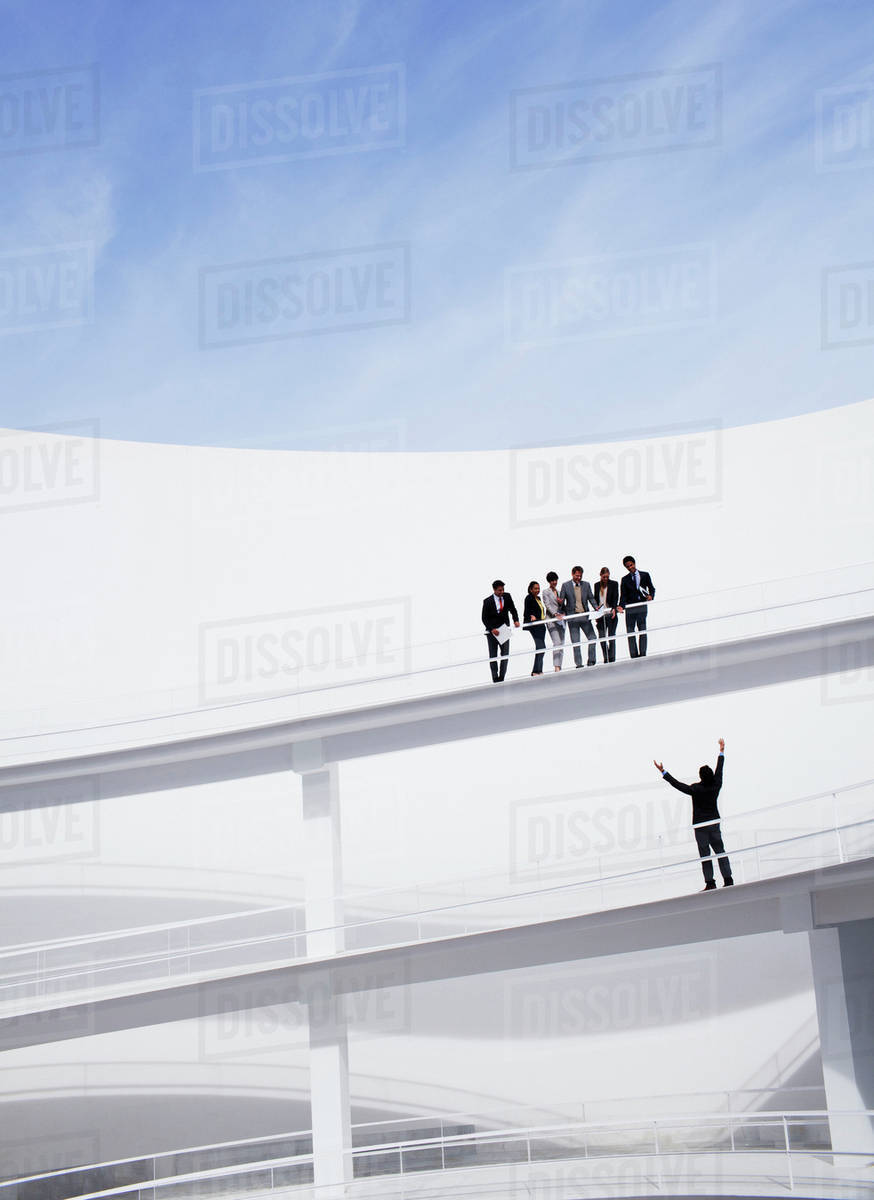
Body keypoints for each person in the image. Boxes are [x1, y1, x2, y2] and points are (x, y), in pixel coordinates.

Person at [653, 738, 733, 890]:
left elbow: (678, 785)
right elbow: (720, 769)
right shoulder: (716, 785)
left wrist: (663, 771)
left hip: (701, 827)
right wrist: (721, 751)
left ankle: (710, 882)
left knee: (705, 855)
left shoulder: (696, 789)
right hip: (714, 824)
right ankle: (728, 879)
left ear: (701, 777)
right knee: (720, 851)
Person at [481, 580, 519, 683]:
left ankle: (501, 677)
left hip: (504, 629)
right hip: (492, 631)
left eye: (503, 589)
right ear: (494, 590)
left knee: (505, 654)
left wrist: (516, 620)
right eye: (499, 590)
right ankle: (495, 677)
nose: (502, 592)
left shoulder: (507, 596)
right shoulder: (487, 601)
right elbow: (484, 618)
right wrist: (492, 629)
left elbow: (513, 609)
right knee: (493, 656)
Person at [559, 566, 597, 667]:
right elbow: (561, 602)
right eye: (577, 575)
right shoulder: (565, 585)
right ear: (572, 574)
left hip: (585, 616)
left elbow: (591, 598)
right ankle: (579, 664)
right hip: (573, 618)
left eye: (580, 576)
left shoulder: (586, 585)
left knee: (593, 638)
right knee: (576, 642)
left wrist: (596, 608)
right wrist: (561, 612)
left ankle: (591, 661)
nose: (578, 578)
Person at [619, 555, 655, 658]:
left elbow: (652, 588)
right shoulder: (625, 579)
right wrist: (621, 606)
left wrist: (651, 596)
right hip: (630, 609)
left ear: (634, 563)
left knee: (642, 630)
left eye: (631, 565)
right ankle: (633, 656)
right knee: (630, 632)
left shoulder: (645, 575)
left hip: (641, 606)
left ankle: (643, 654)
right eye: (627, 567)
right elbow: (623, 595)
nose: (630, 568)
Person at [593, 566, 621, 663]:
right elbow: (595, 600)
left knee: (611, 637)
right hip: (601, 615)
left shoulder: (614, 584)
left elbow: (615, 597)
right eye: (604, 577)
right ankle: (606, 657)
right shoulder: (596, 585)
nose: (606, 579)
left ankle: (612, 658)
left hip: (610, 614)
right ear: (600, 575)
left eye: (607, 577)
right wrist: (596, 613)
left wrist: (614, 608)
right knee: (602, 637)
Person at [542, 571, 565, 671]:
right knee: (557, 642)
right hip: (551, 619)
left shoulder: (559, 592)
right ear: (549, 581)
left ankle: (560, 665)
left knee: (562, 643)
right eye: (552, 580)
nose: (554, 582)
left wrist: (563, 612)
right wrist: (555, 614)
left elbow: (562, 605)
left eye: (555, 580)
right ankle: (556, 667)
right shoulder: (545, 592)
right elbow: (547, 605)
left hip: (561, 620)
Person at [523, 581, 547, 676]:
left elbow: (541, 611)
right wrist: (531, 617)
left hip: (541, 625)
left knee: (541, 647)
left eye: (538, 588)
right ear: (530, 589)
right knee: (540, 647)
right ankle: (535, 671)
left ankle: (539, 670)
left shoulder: (539, 598)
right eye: (535, 588)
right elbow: (527, 611)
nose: (537, 590)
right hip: (534, 626)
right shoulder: (529, 598)